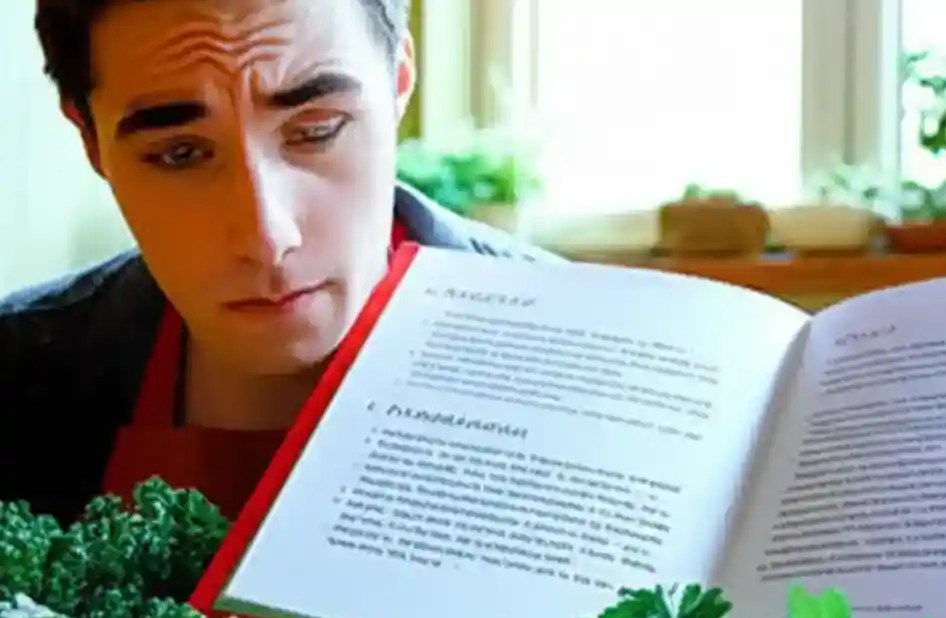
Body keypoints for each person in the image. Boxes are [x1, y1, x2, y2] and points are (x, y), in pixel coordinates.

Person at [0, 0, 560, 525]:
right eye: (181, 154)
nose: (267, 236)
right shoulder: (16, 369)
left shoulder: (595, 361)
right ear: (91, 141)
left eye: (316, 132)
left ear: (398, 83)